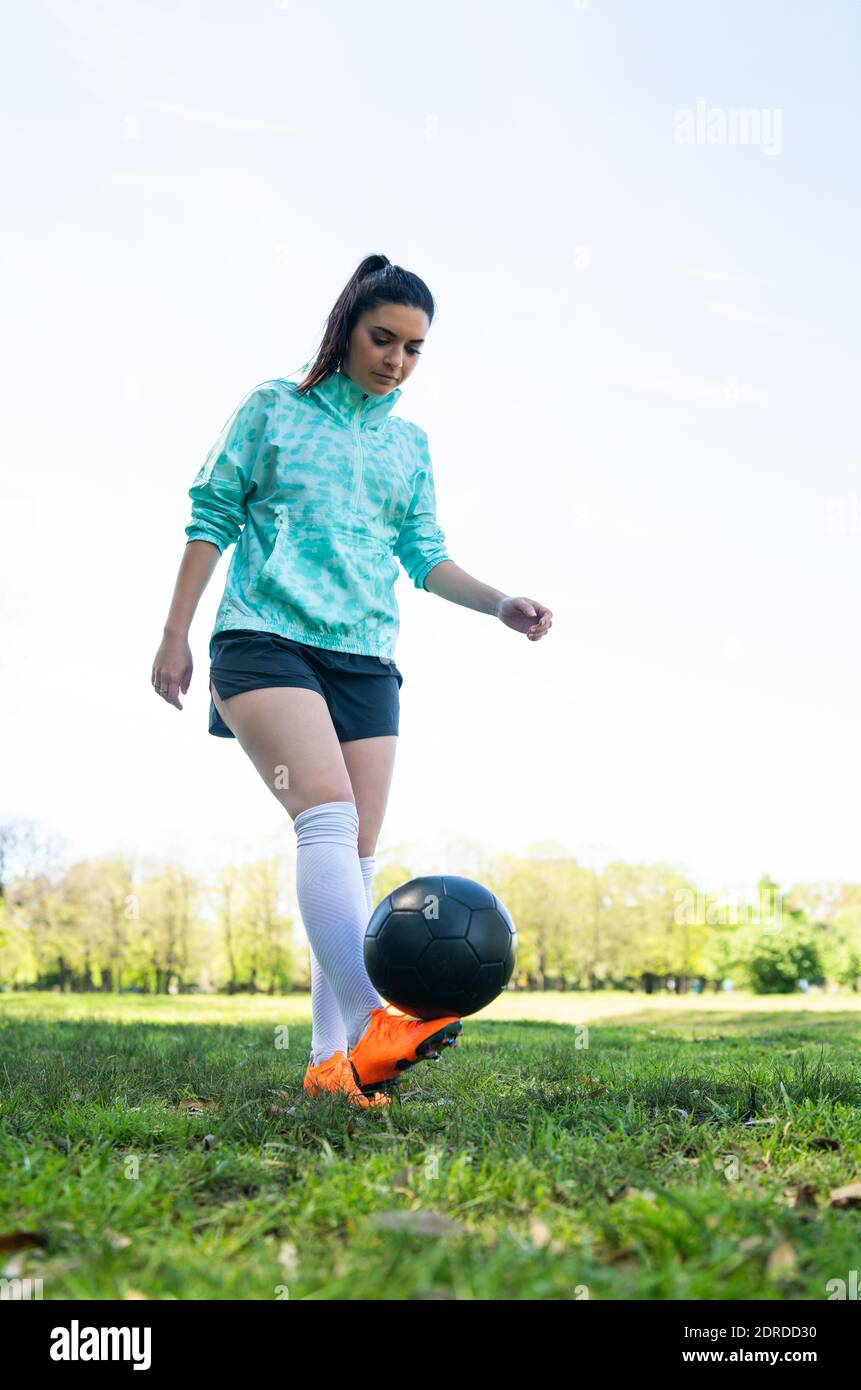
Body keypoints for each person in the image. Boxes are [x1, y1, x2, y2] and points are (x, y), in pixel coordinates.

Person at [151, 254, 554, 1108]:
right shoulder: (273, 408)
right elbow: (210, 515)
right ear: (344, 328)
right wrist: (174, 633)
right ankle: (378, 1019)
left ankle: (331, 1064)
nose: (396, 361)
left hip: (365, 658)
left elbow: (425, 556)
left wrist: (498, 602)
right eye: (383, 338)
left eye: (413, 348)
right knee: (325, 818)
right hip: (264, 639)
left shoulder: (409, 445)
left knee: (356, 862)